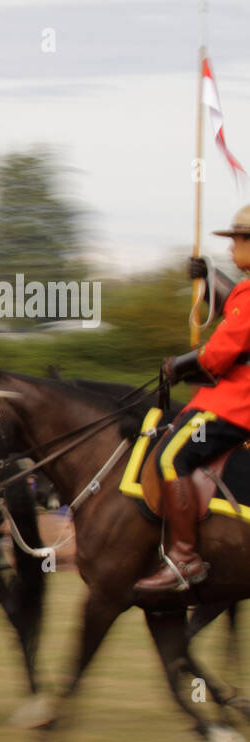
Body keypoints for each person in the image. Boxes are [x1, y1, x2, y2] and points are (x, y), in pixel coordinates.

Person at [138, 204, 250, 593]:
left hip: (232, 409)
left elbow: (219, 352)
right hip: (231, 404)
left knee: (171, 456)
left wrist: (179, 365)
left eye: (237, 240)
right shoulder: (245, 291)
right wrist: (210, 277)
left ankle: (184, 559)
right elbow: (234, 309)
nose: (233, 247)